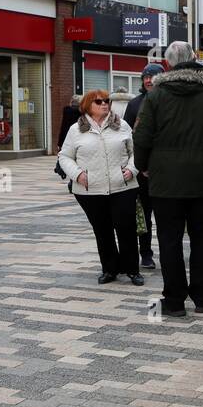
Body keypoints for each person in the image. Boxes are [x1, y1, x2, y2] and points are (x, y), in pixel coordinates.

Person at [132, 41, 203, 318]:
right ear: (193, 59)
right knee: (202, 239)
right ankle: (202, 298)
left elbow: (141, 137)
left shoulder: (156, 95)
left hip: (165, 182)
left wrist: (143, 166)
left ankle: (174, 301)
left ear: (168, 63)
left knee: (169, 240)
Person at [60, 90, 143, 286]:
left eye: (107, 101)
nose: (105, 104)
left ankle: (132, 270)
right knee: (102, 231)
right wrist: (78, 174)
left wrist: (132, 169)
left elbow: (136, 151)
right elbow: (64, 156)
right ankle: (109, 269)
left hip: (123, 187)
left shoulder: (121, 125)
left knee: (127, 230)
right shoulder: (75, 129)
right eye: (99, 101)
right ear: (88, 105)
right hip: (91, 190)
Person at [124, 67, 163, 268]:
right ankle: (146, 254)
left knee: (166, 216)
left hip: (165, 169)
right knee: (144, 215)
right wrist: (137, 165)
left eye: (153, 77)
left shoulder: (168, 101)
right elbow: (127, 137)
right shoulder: (134, 104)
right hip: (142, 171)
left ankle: (168, 252)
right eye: (146, 77)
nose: (149, 80)